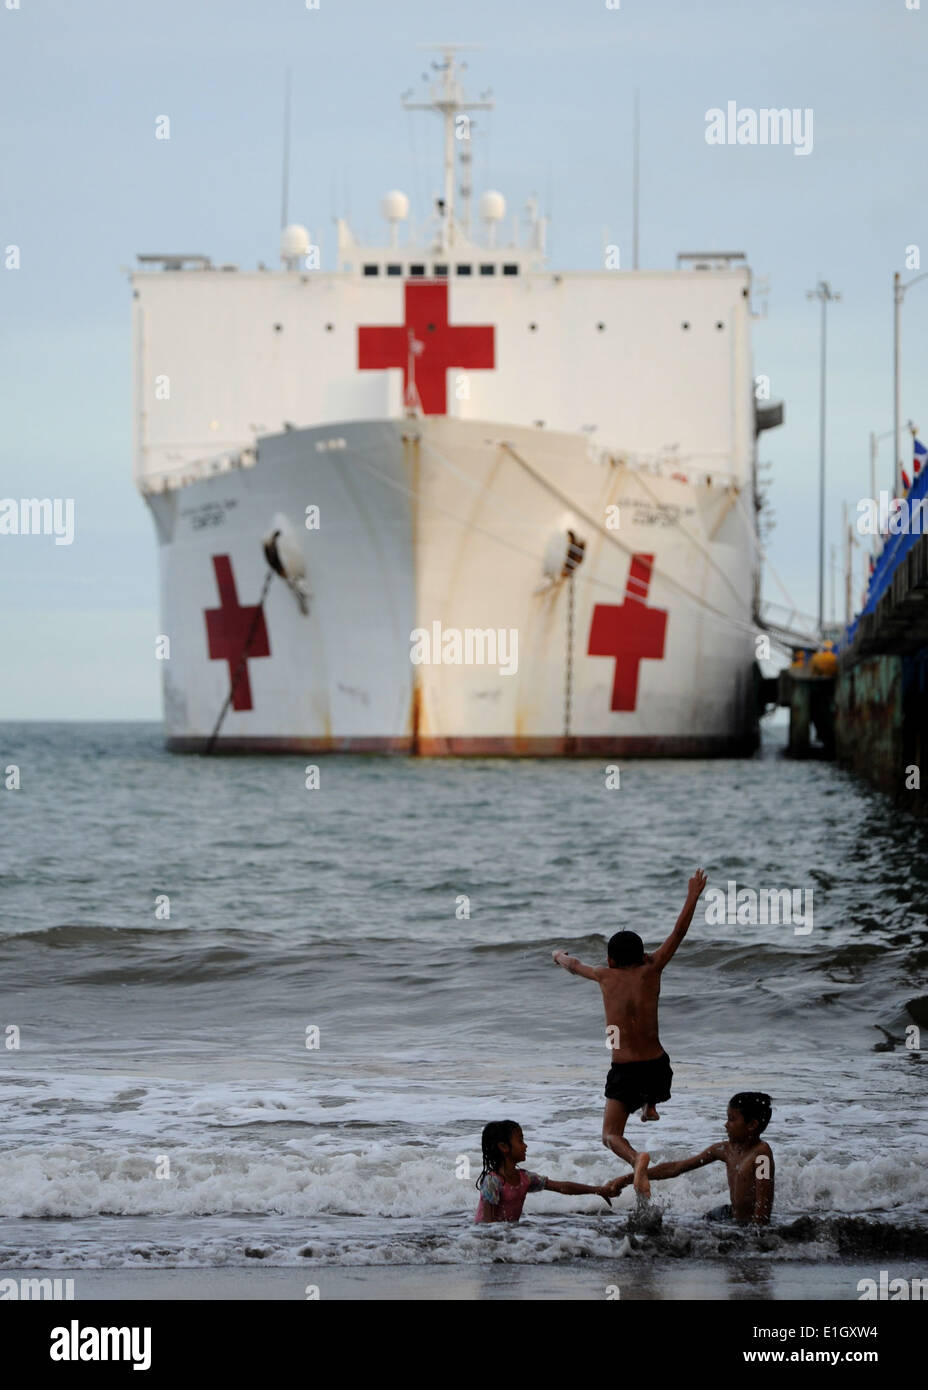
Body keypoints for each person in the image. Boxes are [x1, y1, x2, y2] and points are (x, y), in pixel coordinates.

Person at [552, 868, 708, 1187]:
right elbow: (678, 934)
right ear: (642, 954)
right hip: (659, 1068)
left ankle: (637, 1159)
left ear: (610, 960)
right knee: (650, 1087)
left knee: (610, 1135)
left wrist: (558, 955)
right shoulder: (653, 970)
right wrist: (693, 895)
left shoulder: (603, 975)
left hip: (625, 1070)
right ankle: (650, 1105)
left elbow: (572, 965)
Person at [607, 1092, 775, 1225]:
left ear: (752, 1125)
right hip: (729, 1213)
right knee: (689, 1226)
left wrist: (755, 1237)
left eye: (731, 1119)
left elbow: (763, 1207)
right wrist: (630, 1178)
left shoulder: (761, 1155)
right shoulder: (725, 1150)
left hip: (747, 1222)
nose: (726, 1124)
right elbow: (677, 1167)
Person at [474, 1120, 615, 1224]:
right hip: (481, 1240)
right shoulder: (492, 1182)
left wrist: (597, 1190)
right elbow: (487, 1226)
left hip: (506, 1236)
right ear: (504, 1147)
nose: (525, 1145)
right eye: (520, 1140)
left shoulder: (525, 1178)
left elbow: (563, 1187)